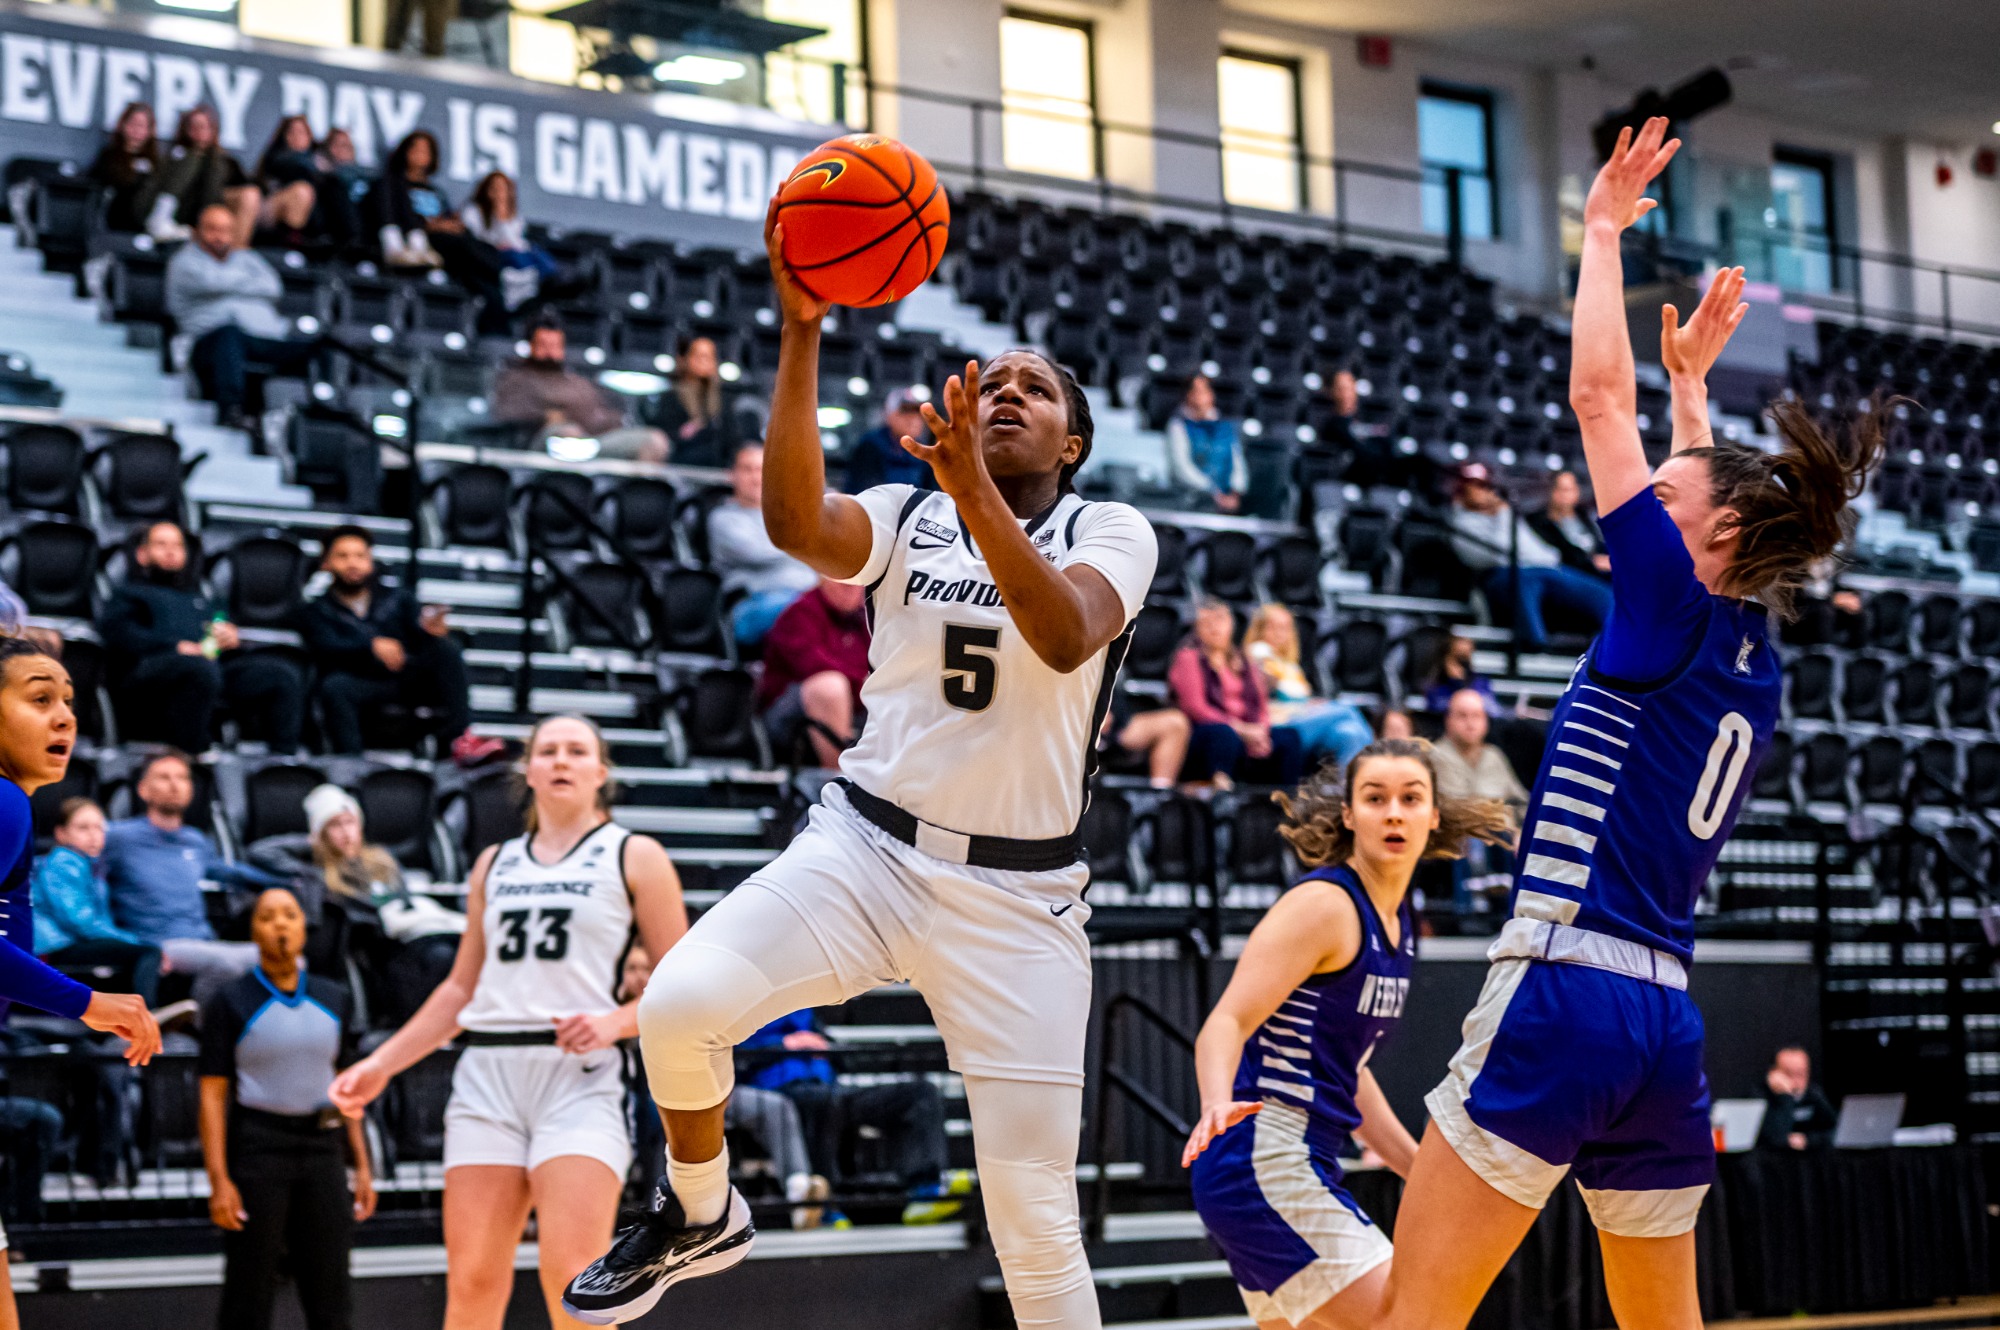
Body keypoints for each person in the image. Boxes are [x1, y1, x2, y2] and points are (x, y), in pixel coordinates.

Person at [557, 202, 1158, 1328]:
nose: (1006, 393)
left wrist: (969, 483)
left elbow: (1064, 634)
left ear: (1071, 443)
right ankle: (698, 1207)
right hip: (867, 845)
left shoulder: (1109, 530)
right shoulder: (906, 514)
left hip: (1018, 896)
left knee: (1034, 1219)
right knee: (680, 1004)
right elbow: (794, 521)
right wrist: (800, 332)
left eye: (1034, 388)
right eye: (994, 382)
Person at [1377, 121, 1881, 1330]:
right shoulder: (1747, 651)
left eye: (1663, 490)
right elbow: (1707, 508)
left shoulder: (1669, 594)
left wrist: (1597, 228)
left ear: (1701, 541)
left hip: (1560, 991)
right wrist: (1693, 395)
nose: (1643, 488)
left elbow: (1591, 395)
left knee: (1416, 1317)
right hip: (1662, 1020)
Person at [329, 716, 688, 1330]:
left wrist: (614, 1022)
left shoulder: (636, 855)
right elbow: (459, 990)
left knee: (575, 1279)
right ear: (529, 770)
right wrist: (380, 1065)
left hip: (577, 1078)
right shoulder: (493, 863)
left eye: (578, 751)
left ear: (601, 772)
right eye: (548, 750)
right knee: (471, 1282)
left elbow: (683, 992)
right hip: (487, 1077)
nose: (561, 761)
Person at [1185, 741, 1510, 1330]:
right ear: (1348, 815)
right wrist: (1214, 1104)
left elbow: (1347, 1071)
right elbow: (1226, 1022)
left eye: (1410, 799)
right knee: (1412, 1318)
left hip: (1298, 1158)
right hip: (1264, 1154)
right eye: (1374, 797)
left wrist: (1418, 1169)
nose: (1393, 812)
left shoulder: (1401, 922)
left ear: (1433, 814)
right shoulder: (1325, 905)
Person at [0, 638, 162, 1329]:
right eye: (40, 699)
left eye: (68, 699)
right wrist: (90, 1001)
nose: (64, 715)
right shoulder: (5, 803)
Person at [199, 886, 375, 1330]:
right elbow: (212, 1093)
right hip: (258, 1149)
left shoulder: (335, 997)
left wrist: (363, 1165)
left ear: (304, 928)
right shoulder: (230, 1000)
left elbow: (347, 1085)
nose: (279, 924)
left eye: (290, 915)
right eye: (267, 916)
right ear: (253, 931)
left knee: (331, 1288)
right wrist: (219, 1179)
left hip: (323, 1148)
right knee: (249, 1287)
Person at [740, 1009, 968, 1227]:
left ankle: (927, 1191)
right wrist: (784, 1045)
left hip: (829, 1088)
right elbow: (731, 1059)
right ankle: (823, 1207)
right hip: (778, 1091)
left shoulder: (805, 1009)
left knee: (920, 1093)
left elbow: (844, 1059)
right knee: (823, 1103)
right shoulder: (740, 1007)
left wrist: (826, 1047)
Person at [99, 521, 306, 754]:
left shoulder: (198, 597)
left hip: (207, 669)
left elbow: (213, 637)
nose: (170, 551)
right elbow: (118, 632)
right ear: (142, 554)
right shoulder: (129, 592)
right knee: (198, 669)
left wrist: (228, 638)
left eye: (178, 545)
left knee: (280, 674)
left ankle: (283, 759)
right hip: (150, 674)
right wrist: (175, 647)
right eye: (161, 544)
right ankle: (196, 753)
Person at [300, 525, 493, 763]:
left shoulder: (399, 598)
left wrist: (433, 632)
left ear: (371, 560)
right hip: (359, 681)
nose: (353, 563)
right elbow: (325, 648)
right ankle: (351, 762)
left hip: (404, 680)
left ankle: (459, 741)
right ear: (326, 563)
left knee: (446, 648)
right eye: (343, 556)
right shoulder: (316, 610)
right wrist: (370, 646)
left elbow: (418, 637)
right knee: (334, 687)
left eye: (360, 556)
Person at [103, 750, 279, 1011]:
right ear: (143, 789)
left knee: (285, 961)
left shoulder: (194, 840)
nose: (175, 785)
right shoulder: (118, 837)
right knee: (226, 965)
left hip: (203, 942)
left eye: (182, 778)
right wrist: (115, 940)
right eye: (164, 777)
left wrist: (283, 883)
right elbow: (83, 880)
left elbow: (230, 872)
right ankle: (194, 1025)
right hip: (155, 946)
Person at [166, 204, 318, 432]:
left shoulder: (247, 258)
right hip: (207, 344)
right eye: (212, 229)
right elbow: (212, 282)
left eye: (226, 230)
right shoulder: (183, 261)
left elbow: (274, 286)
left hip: (263, 337)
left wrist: (230, 283)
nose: (219, 236)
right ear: (197, 230)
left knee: (318, 347)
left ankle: (303, 417)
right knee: (228, 335)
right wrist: (248, 283)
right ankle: (231, 410)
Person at [1449, 463, 1613, 651]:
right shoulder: (1461, 522)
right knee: (1525, 578)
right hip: (1496, 577)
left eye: (1486, 485)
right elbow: (1503, 552)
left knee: (1601, 591)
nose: (1483, 491)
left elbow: (1541, 552)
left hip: (1541, 569)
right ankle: (1536, 645)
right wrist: (1503, 513)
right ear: (1463, 488)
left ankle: (1612, 647)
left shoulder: (1507, 515)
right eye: (1475, 485)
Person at [365, 130, 509, 335]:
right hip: (423, 242)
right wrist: (430, 226)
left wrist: (451, 225)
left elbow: (448, 218)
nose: (420, 154)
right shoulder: (393, 185)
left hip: (450, 247)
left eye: (425, 150)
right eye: (416, 148)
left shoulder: (437, 192)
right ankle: (498, 271)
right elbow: (400, 218)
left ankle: (498, 332)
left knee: (487, 280)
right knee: (468, 249)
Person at [33, 798, 163, 1007]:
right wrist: (130, 940)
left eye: (99, 828)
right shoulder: (62, 862)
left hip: (70, 942)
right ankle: (147, 1015)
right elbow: (79, 922)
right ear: (61, 833)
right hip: (55, 948)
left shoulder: (90, 865)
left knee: (141, 954)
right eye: (83, 828)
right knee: (148, 952)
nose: (93, 835)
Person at [491, 316, 670, 462]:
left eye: (555, 346)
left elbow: (602, 414)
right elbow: (508, 412)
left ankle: (635, 501)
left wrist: (612, 420)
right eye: (544, 345)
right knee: (567, 435)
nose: (550, 352)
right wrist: (545, 416)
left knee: (654, 440)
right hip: (545, 445)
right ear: (531, 346)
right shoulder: (516, 377)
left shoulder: (576, 379)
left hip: (593, 442)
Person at [1170, 599, 1305, 790]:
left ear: (1231, 625)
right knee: (1223, 734)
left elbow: (1261, 703)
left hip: (1246, 731)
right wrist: (1240, 729)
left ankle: (1287, 800)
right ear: (1196, 628)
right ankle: (1222, 792)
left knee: (1289, 737)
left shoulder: (1244, 659)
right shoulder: (1189, 658)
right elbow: (1196, 708)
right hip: (1206, 732)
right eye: (1207, 623)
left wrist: (1261, 731)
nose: (1214, 628)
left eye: (1220, 621)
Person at [711, 442, 820, 648]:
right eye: (746, 469)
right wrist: (805, 542)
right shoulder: (723, 519)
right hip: (752, 606)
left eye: (761, 470)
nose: (755, 478)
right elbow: (757, 553)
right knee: (803, 610)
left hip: (805, 599)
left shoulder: (788, 518)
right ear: (731, 475)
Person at [755, 577, 870, 769]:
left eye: (858, 584)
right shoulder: (798, 613)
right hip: (788, 717)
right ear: (822, 578)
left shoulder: (867, 619)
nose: (851, 588)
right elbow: (813, 665)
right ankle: (839, 778)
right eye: (844, 583)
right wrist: (864, 683)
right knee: (828, 687)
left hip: (855, 705)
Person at [1431, 688, 1528, 911]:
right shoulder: (1433, 756)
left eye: (1476, 716)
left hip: (1502, 834)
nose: (1470, 723)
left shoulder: (1494, 756)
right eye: (1462, 716)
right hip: (1457, 836)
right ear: (1448, 720)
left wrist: (1522, 831)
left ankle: (1510, 911)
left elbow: (1521, 802)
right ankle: (1470, 913)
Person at [1244, 604, 1374, 769]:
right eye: (1272, 627)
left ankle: (1351, 789)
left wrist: (1311, 702)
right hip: (1281, 724)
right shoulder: (1255, 655)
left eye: (1284, 628)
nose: (1279, 633)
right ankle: (1375, 762)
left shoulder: (1290, 665)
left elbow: (1297, 697)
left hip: (1303, 718)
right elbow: (1272, 690)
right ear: (1259, 629)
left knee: (1350, 732)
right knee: (1346, 709)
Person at [136, 104, 258, 247]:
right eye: (194, 126)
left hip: (214, 212)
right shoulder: (174, 157)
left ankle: (235, 253)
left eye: (205, 126)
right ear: (185, 129)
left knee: (250, 194)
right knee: (191, 158)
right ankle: (161, 218)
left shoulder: (224, 161)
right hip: (179, 213)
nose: (200, 131)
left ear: (213, 130)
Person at [461, 172, 570, 312]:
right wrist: (499, 221)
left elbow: (515, 241)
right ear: (487, 189)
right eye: (495, 188)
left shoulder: (515, 218)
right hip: (490, 255)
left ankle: (554, 278)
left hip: (514, 254)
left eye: (503, 188)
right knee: (520, 255)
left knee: (536, 252)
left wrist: (502, 216)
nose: (499, 193)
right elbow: (480, 237)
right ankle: (540, 282)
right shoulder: (473, 211)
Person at [253, 114, 354, 250]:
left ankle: (348, 242)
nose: (297, 137)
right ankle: (295, 243)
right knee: (302, 191)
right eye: (292, 132)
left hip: (317, 221)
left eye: (302, 132)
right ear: (284, 136)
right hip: (272, 216)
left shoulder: (320, 164)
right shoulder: (278, 158)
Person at [647, 336, 736, 467]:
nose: (703, 362)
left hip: (717, 463)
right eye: (699, 356)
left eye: (708, 357)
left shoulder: (724, 398)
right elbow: (663, 432)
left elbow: (732, 437)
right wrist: (683, 432)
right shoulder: (671, 395)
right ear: (687, 359)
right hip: (681, 458)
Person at [1165, 374, 1247, 513]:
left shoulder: (1225, 427)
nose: (1201, 396)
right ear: (1188, 395)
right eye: (1196, 391)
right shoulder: (1178, 426)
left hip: (1226, 502)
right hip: (1191, 501)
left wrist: (1235, 490)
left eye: (1205, 391)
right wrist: (1210, 490)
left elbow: (1237, 462)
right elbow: (1182, 467)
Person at [87, 102, 161, 235]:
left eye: (142, 125)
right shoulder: (109, 156)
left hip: (141, 228)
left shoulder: (155, 161)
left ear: (150, 131)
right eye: (133, 123)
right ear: (122, 125)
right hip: (110, 225)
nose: (137, 130)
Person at [846, 388, 936, 492]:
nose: (913, 419)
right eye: (905, 412)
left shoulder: (925, 449)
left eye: (917, 413)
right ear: (888, 415)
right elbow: (865, 490)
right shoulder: (870, 445)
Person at [1528, 470, 1612, 579]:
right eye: (1561, 489)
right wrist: (1591, 561)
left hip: (1596, 568)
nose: (1565, 495)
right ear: (1551, 491)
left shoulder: (1583, 515)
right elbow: (1556, 554)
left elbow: (1598, 543)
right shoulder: (1540, 520)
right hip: (1569, 572)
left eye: (1570, 489)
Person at [1100, 693, 1192, 790]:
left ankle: (1160, 796)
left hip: (1116, 726)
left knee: (1176, 724)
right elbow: (1194, 706)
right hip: (1092, 729)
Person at [1757, 1046, 1836, 1151]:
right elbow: (1775, 1138)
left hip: (1809, 1161)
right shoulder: (1760, 1097)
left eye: (1801, 1073)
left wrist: (1807, 1140)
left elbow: (1837, 1131)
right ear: (1773, 1073)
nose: (1796, 1080)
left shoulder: (1814, 1095)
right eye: (1788, 1073)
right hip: (1774, 1161)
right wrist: (1785, 1097)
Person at [1420, 634, 1499, 716]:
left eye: (1467, 655)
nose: (1464, 662)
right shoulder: (1434, 688)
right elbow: (1441, 713)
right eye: (1459, 656)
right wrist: (1456, 682)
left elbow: (1493, 712)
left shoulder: (1481, 683)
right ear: (1446, 658)